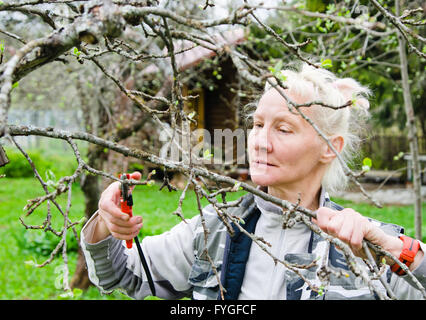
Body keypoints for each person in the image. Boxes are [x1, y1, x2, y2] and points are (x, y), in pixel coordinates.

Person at [80, 63, 426, 300]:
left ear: (328, 147)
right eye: (258, 124)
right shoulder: (214, 228)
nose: (259, 141)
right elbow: (121, 275)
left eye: (283, 128)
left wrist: (392, 249)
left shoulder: (366, 245)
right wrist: (104, 223)